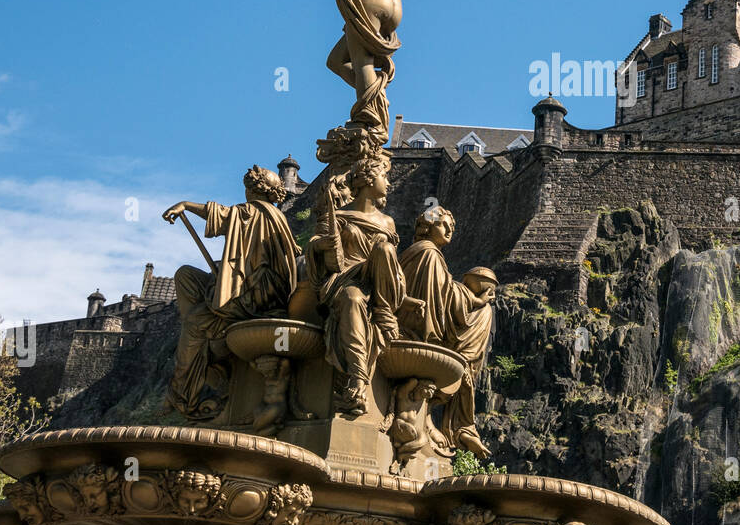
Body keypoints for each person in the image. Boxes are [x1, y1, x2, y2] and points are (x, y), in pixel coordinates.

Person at [162, 166, 298, 420]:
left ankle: (183, 394)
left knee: (193, 323)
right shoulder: (277, 217)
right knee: (186, 276)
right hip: (256, 289)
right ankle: (210, 338)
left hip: (252, 299)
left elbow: (221, 214)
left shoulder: (251, 211)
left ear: (252, 190)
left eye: (248, 187)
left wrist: (184, 205)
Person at [310, 146, 404, 418]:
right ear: (367, 180)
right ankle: (357, 377)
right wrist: (321, 246)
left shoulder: (388, 222)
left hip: (379, 284)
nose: (388, 183)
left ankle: (385, 313)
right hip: (345, 279)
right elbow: (316, 247)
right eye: (384, 177)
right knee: (351, 299)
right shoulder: (338, 216)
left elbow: (392, 266)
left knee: (385, 249)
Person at [399, 205, 496, 457]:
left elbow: (446, 289)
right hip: (418, 329)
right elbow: (444, 293)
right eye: (443, 225)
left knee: (484, 314)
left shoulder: (426, 255)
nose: (449, 230)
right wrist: (476, 301)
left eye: (452, 227)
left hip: (420, 326)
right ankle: (458, 425)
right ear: (427, 226)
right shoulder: (427, 254)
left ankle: (449, 422)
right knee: (484, 314)